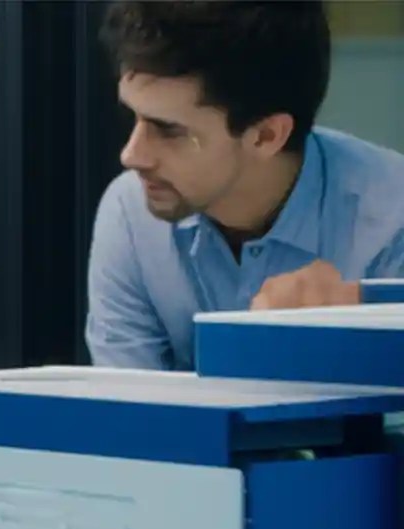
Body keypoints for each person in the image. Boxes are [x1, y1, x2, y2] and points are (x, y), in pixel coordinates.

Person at [85, 1, 404, 370]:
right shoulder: (130, 211)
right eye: (134, 117)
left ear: (266, 136)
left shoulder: (392, 220)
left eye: (169, 130)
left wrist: (342, 351)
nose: (132, 155)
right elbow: (128, 413)